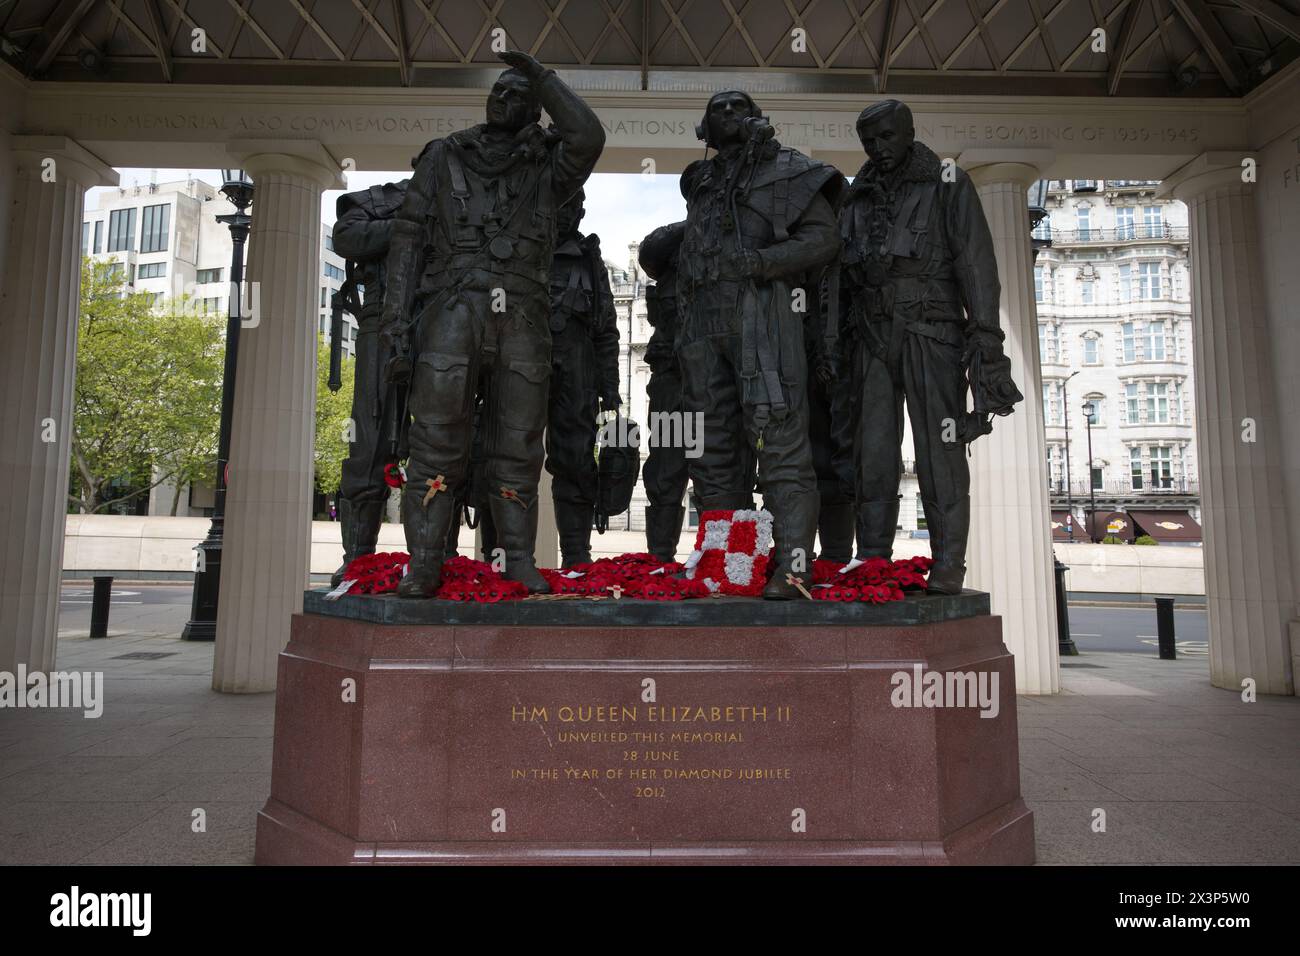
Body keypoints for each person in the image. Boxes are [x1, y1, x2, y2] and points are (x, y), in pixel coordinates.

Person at [379, 50, 605, 598]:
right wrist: (394, 319)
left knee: (521, 443)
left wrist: (542, 76)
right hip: (452, 309)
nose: (503, 100)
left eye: (517, 96)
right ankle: (426, 561)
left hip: (523, 314)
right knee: (436, 440)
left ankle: (520, 559)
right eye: (497, 92)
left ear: (535, 110)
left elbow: (589, 136)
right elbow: (408, 237)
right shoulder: (444, 155)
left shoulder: (548, 167)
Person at [831, 99, 1022, 594]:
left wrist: (985, 337)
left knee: (941, 450)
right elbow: (840, 277)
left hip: (931, 334)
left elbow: (976, 264)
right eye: (869, 141)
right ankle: (872, 557)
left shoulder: (947, 180)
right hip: (870, 336)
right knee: (871, 452)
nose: (877, 148)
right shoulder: (858, 193)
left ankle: (949, 564)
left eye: (886, 137)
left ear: (909, 131)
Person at [676, 90, 844, 599]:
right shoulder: (702, 181)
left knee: (781, 443)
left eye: (738, 105)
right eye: (717, 108)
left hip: (763, 316)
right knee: (712, 448)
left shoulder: (792, 170)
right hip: (703, 322)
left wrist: (764, 262)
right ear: (704, 126)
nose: (728, 113)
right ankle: (731, 566)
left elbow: (824, 239)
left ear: (756, 116)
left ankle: (793, 568)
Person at [328, 179, 409, 587]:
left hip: (443, 326)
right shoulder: (387, 198)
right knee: (368, 443)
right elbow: (347, 237)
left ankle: (437, 558)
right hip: (381, 326)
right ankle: (357, 559)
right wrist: (409, 226)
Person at [544, 188, 621, 566]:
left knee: (575, 460)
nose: (566, 213)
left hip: (577, 371)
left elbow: (606, 328)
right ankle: (510, 558)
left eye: (572, 206)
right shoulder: (521, 250)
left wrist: (610, 387)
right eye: (559, 205)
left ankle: (576, 556)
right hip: (520, 363)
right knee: (507, 459)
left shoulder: (590, 261)